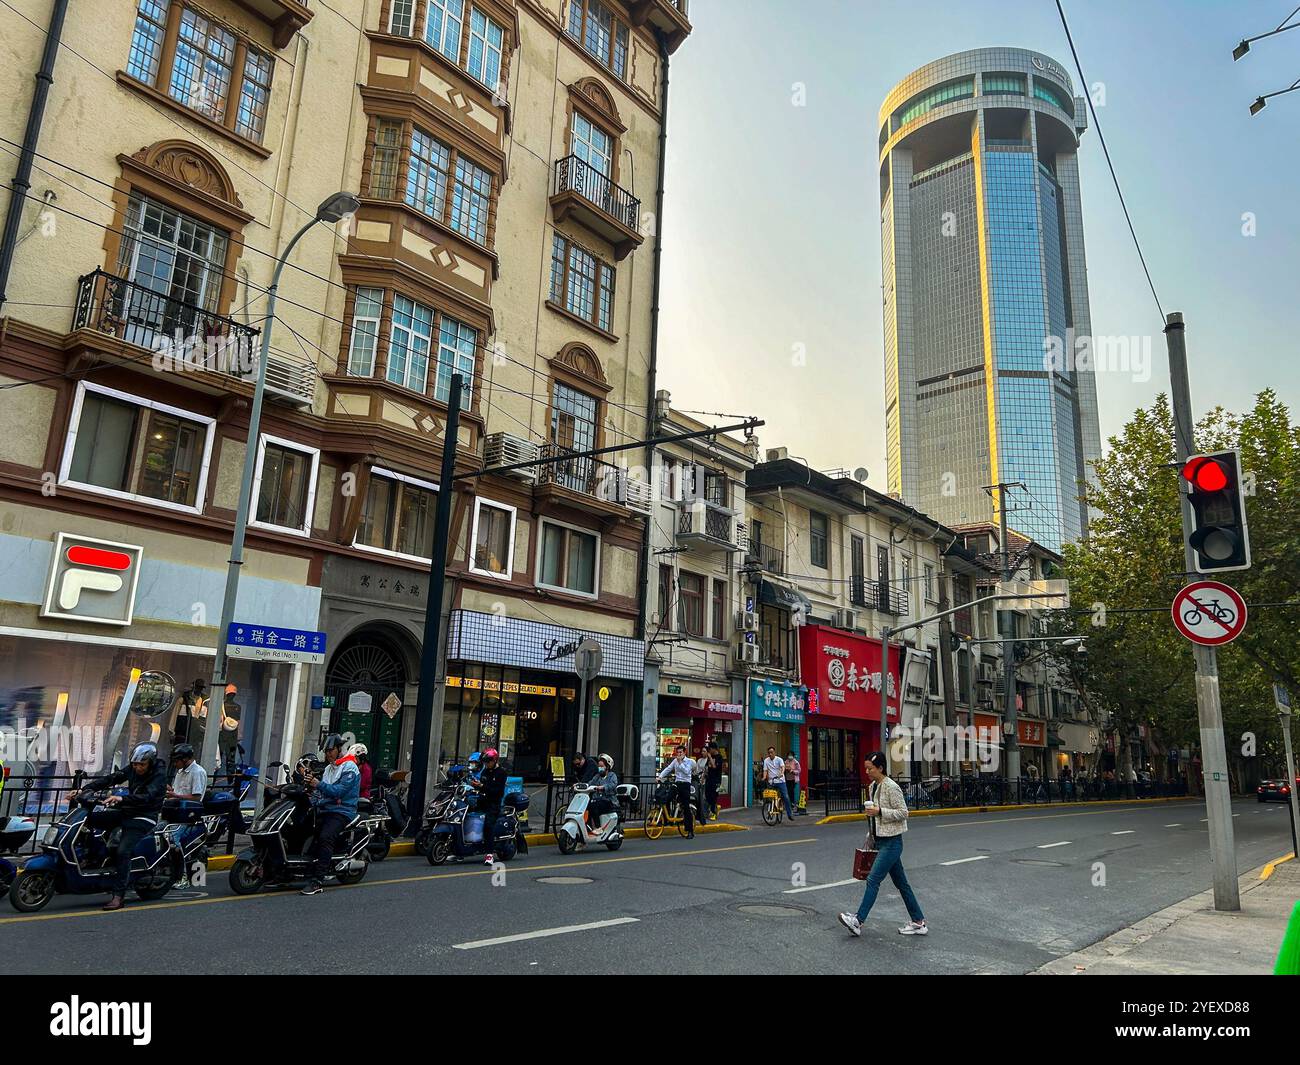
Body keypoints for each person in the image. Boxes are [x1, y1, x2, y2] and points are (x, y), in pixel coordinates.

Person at [839, 752, 927, 939]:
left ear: (880, 768)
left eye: (870, 768)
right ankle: (919, 922)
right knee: (902, 884)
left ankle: (858, 921)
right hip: (880, 840)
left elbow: (904, 813)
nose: (867, 771)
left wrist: (880, 811)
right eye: (866, 768)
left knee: (873, 879)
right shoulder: (872, 787)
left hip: (892, 842)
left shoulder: (891, 787)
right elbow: (874, 816)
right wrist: (871, 834)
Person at [91, 742, 168, 911]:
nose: (137, 768)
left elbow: (147, 796)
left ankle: (118, 896)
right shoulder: (132, 769)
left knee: (123, 850)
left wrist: (122, 799)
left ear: (151, 763)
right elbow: (113, 778)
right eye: (135, 764)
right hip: (127, 811)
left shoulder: (159, 775)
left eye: (142, 765)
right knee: (91, 820)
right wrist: (84, 789)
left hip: (144, 816)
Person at [300, 734, 360, 896]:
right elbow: (321, 793)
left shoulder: (349, 767)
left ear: (340, 749)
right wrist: (310, 791)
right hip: (325, 809)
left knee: (326, 836)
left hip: (342, 811)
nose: (328, 754)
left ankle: (318, 880)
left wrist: (318, 784)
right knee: (301, 828)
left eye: (331, 750)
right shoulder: (328, 768)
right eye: (326, 751)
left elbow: (338, 792)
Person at [472, 748, 508, 865]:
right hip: (482, 801)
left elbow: (497, 791)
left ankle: (489, 854)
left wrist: (481, 786)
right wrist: (475, 786)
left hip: (493, 804)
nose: (487, 764)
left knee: (488, 825)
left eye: (488, 762)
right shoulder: (485, 772)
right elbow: (482, 785)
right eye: (485, 762)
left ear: (494, 760)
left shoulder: (501, 773)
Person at [657, 745, 696, 839]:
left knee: (686, 807)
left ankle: (690, 831)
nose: (678, 754)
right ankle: (666, 820)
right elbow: (668, 769)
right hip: (677, 783)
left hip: (685, 784)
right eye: (677, 752)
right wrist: (660, 776)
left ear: (684, 753)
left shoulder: (689, 762)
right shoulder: (675, 761)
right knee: (667, 798)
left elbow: (687, 772)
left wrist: (680, 762)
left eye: (680, 752)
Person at [585, 753, 619, 832]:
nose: (599, 768)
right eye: (599, 766)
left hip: (609, 801)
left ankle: (598, 827)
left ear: (607, 767)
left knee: (594, 805)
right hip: (598, 799)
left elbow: (612, 784)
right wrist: (581, 785)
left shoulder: (612, 775)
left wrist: (603, 787)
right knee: (587, 805)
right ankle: (588, 827)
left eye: (601, 766)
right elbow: (590, 783)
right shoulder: (597, 776)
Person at [762, 746, 796, 822]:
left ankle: (790, 814)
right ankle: (771, 809)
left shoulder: (779, 759)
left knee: (786, 797)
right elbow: (765, 770)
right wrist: (764, 777)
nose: (770, 754)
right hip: (772, 781)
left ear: (774, 753)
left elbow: (783, 767)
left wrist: (781, 773)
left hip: (781, 781)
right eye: (769, 753)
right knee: (769, 796)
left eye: (772, 752)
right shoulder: (766, 761)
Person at [218, 684, 242, 778]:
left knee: (217, 758)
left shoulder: (222, 705)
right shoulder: (237, 707)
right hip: (233, 735)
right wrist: (239, 734)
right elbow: (239, 722)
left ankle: (212, 782)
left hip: (222, 733)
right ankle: (230, 781)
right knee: (231, 759)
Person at [704, 743, 723, 818]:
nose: (709, 751)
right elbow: (707, 767)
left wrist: (710, 757)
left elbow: (714, 766)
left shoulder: (719, 757)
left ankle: (713, 813)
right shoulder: (709, 757)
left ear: (714, 749)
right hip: (709, 779)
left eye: (710, 749)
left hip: (716, 780)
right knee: (707, 795)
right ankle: (712, 810)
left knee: (713, 796)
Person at [785, 750, 803, 815]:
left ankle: (792, 803)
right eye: (788, 755)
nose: (789, 756)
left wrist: (793, 771)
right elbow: (783, 768)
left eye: (791, 755)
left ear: (793, 755)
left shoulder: (795, 762)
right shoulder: (786, 761)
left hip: (793, 779)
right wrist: (786, 769)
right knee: (787, 791)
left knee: (791, 791)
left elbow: (799, 770)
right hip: (787, 779)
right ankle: (790, 803)